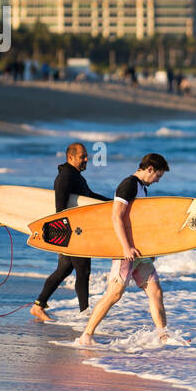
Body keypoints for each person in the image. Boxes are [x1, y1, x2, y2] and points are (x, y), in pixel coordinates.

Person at [78, 153, 171, 346]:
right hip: (125, 251)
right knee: (114, 293)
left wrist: (150, 250)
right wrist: (126, 247)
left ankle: (164, 337)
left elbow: (137, 223)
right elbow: (116, 216)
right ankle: (86, 335)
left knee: (156, 292)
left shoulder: (142, 188)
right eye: (158, 176)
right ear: (150, 169)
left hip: (140, 252)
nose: (158, 180)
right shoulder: (128, 185)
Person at [31, 143, 110, 322]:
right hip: (72, 233)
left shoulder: (75, 176)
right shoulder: (65, 177)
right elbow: (60, 209)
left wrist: (114, 203)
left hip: (73, 232)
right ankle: (85, 314)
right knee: (83, 271)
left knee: (65, 269)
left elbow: (90, 196)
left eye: (86, 156)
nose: (86, 159)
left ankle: (38, 306)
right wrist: (65, 237)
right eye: (83, 156)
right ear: (71, 157)